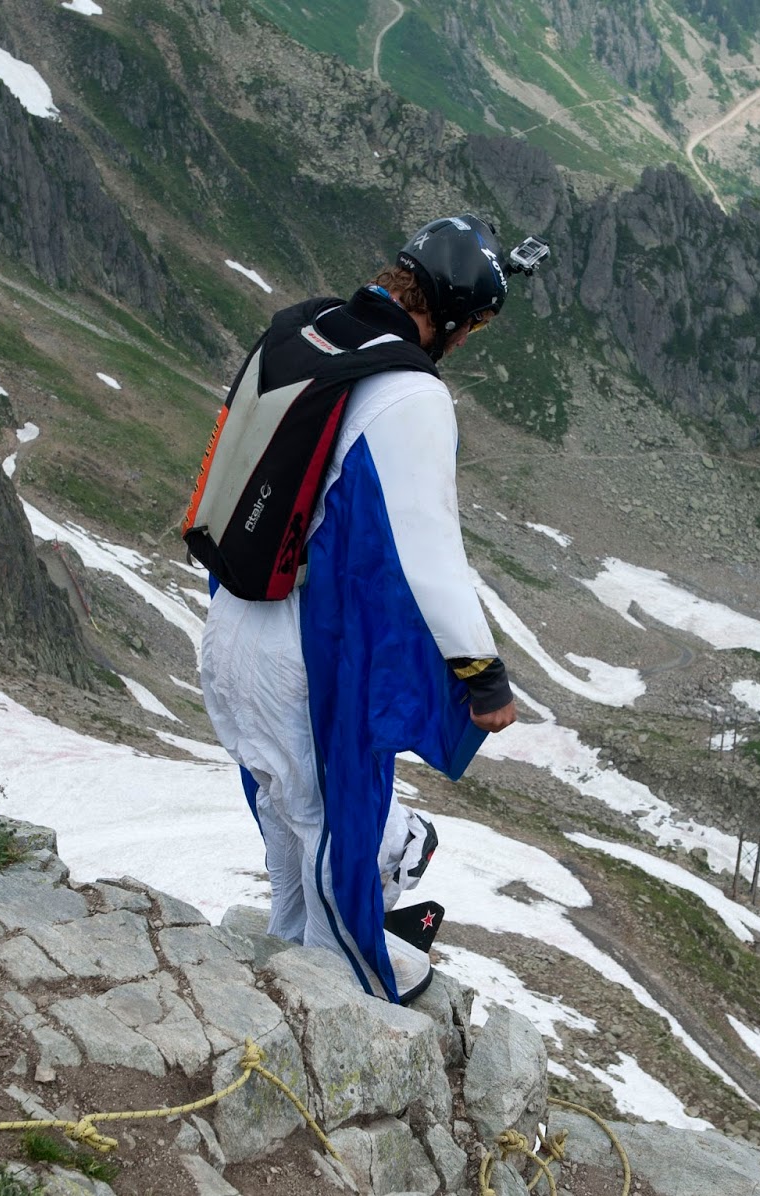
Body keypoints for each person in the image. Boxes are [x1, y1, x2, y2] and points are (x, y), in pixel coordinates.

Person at [200, 216, 519, 1004]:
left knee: (285, 819)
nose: (464, 343)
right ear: (445, 316)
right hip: (294, 654)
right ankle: (340, 997)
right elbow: (429, 554)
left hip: (231, 620)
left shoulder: (305, 332)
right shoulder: (408, 392)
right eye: (468, 328)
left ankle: (286, 955)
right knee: (327, 828)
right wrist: (484, 678)